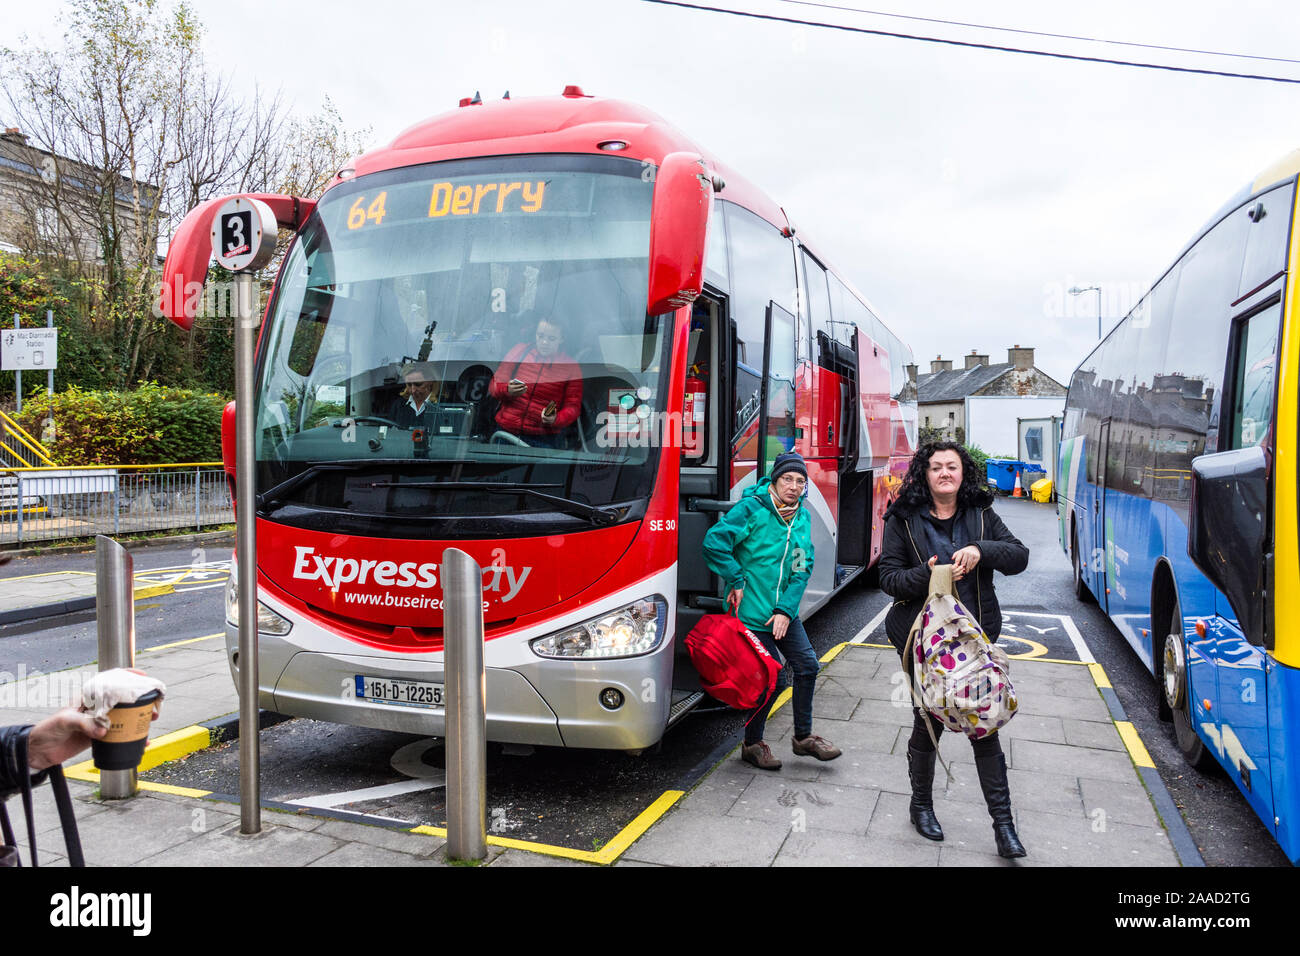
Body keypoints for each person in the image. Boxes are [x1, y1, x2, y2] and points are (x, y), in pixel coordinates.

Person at [878, 441, 1030, 858]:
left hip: (974, 637)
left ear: (964, 473)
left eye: (953, 466)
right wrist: (925, 575)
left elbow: (1019, 556)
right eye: (936, 467)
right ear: (923, 475)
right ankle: (921, 806)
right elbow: (889, 579)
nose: (945, 473)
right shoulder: (903, 519)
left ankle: (1004, 827)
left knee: (985, 725)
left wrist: (982, 551)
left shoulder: (981, 515)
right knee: (930, 721)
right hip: (922, 641)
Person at [702, 452, 840, 770]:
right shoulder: (752, 508)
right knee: (770, 679)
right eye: (788, 479)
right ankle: (752, 744)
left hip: (781, 612)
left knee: (807, 665)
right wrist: (735, 578)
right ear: (775, 480)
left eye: (800, 481)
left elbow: (801, 568)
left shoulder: (801, 517)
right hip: (749, 612)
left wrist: (784, 609)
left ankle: (803, 739)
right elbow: (714, 542)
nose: (793, 486)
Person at [489, 315, 583, 448]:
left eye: (551, 338)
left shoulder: (571, 367)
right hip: (506, 431)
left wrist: (556, 419)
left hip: (542, 438)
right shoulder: (520, 350)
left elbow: (573, 407)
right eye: (540, 336)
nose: (544, 342)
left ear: (562, 339)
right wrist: (506, 389)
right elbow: (494, 386)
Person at [387, 363, 439, 430]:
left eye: (418, 384)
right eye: (409, 384)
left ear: (430, 382)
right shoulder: (398, 406)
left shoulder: (442, 406)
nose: (413, 390)